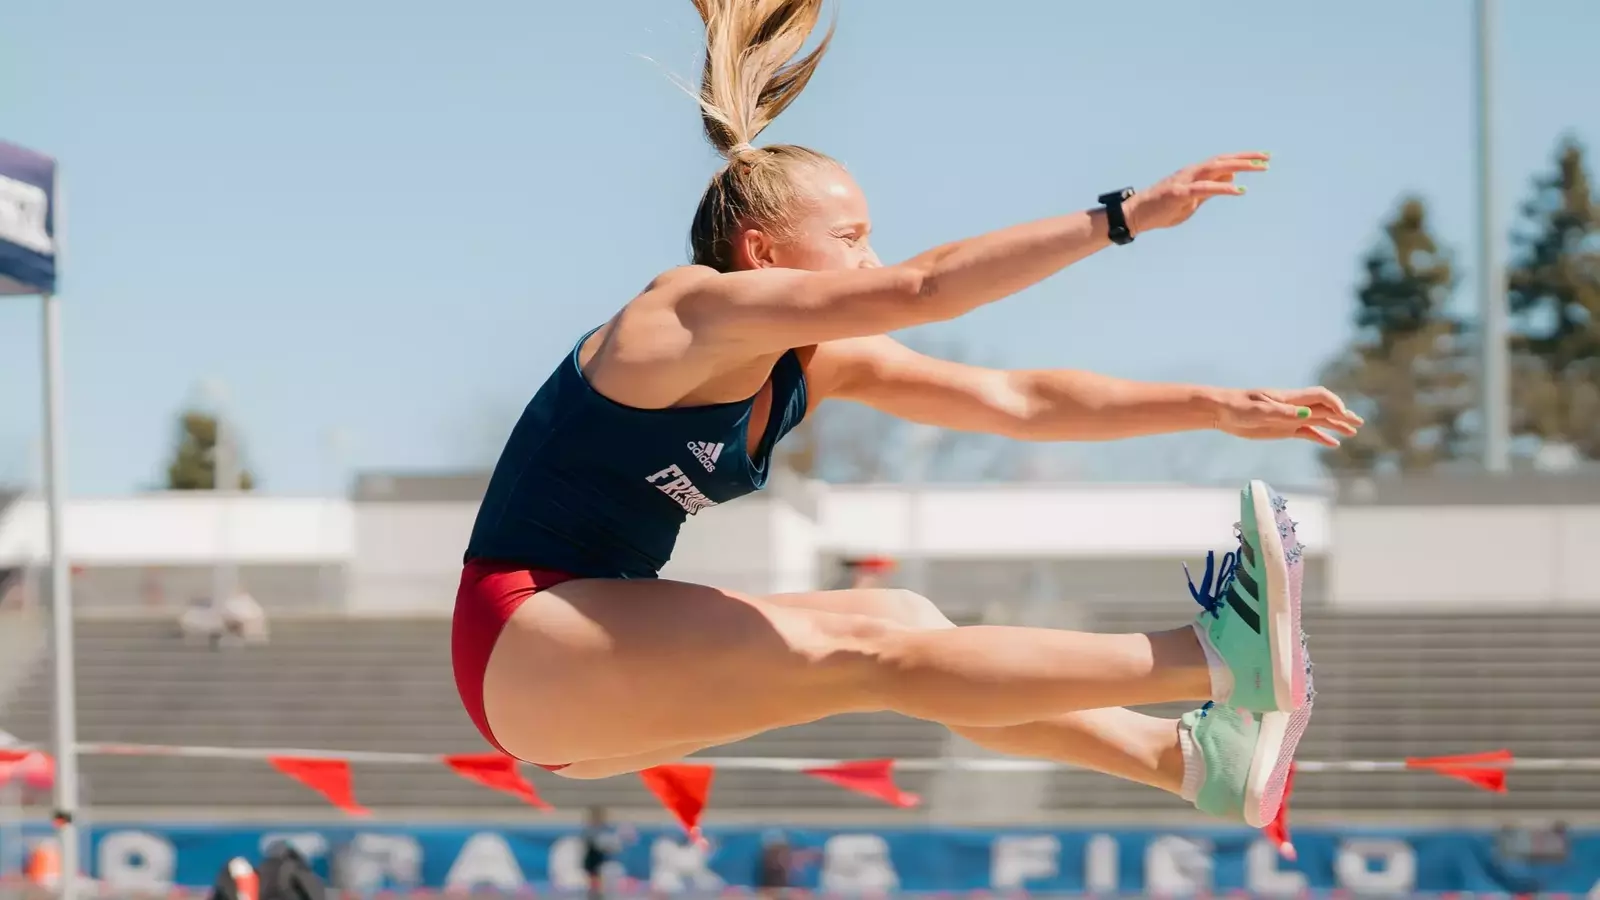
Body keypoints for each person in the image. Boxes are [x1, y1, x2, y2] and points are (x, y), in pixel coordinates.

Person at [452, 0, 1363, 831]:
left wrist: (1217, 406)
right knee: (876, 643)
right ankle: (1206, 657)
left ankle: (1188, 760)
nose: (870, 259)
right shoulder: (687, 312)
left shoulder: (814, 362)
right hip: (528, 637)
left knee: (903, 621)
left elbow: (1021, 401)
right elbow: (921, 288)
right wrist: (1118, 218)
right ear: (762, 252)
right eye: (850, 239)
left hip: (593, 680)